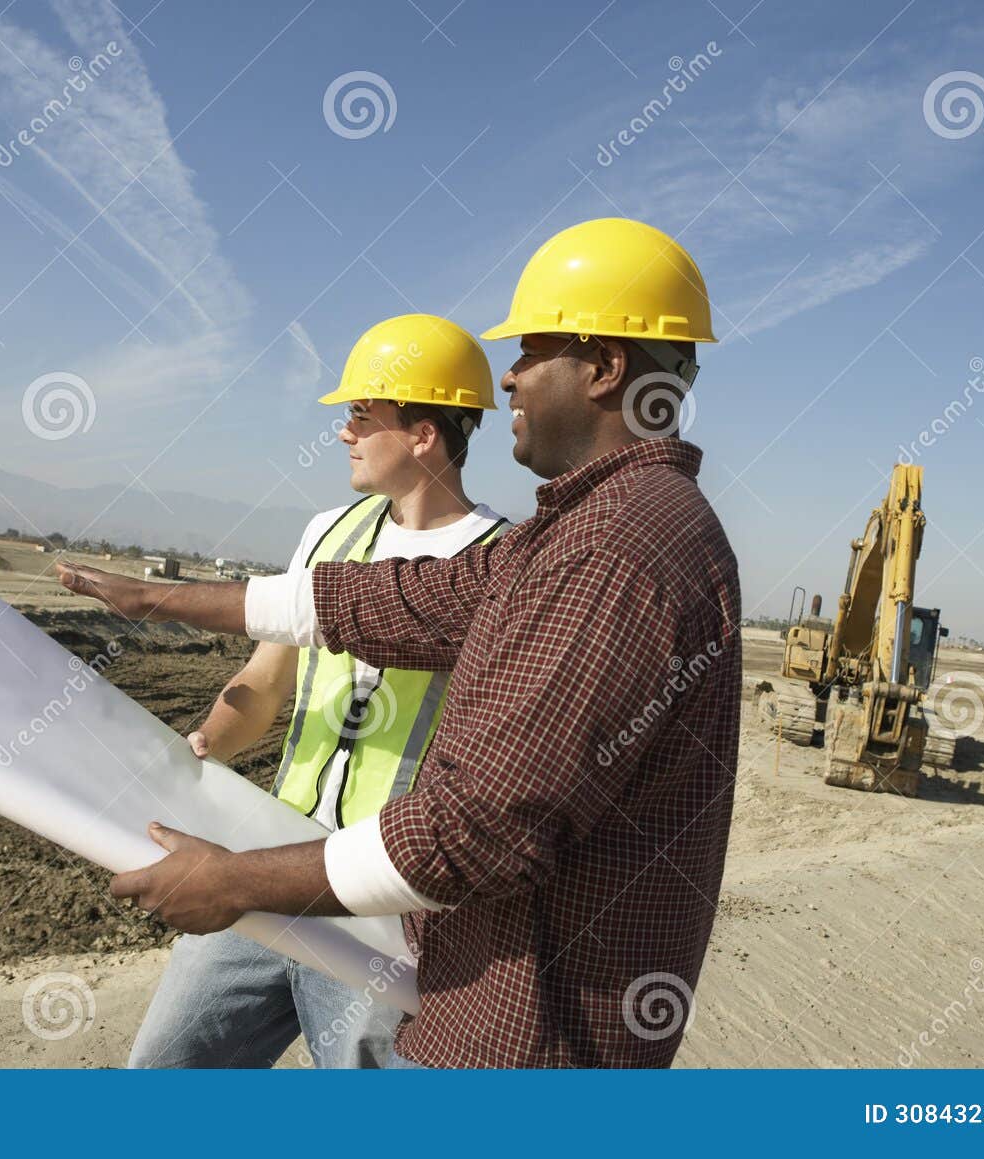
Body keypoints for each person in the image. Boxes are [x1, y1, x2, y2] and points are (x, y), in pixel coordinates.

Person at [56, 219, 741, 1068]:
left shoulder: (614, 549)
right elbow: (398, 601)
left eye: (531, 351)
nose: (511, 377)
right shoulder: (572, 534)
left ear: (603, 368)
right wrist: (157, 597)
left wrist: (235, 879)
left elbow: (480, 825)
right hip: (412, 941)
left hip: (509, 1033)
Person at [123, 313, 506, 1069]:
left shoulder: (503, 564)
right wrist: (201, 745)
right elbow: (264, 682)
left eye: (363, 412)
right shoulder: (328, 534)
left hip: (382, 908)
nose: (344, 431)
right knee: (164, 1068)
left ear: (424, 432)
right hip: (266, 864)